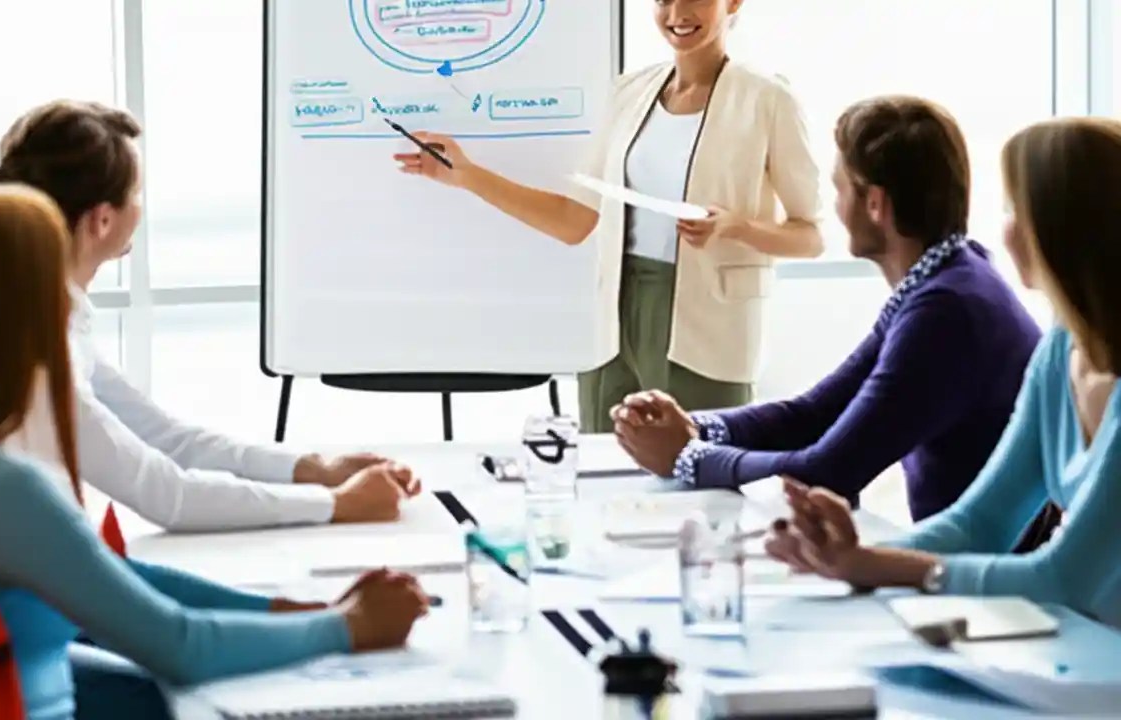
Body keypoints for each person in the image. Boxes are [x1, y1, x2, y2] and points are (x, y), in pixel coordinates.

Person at [0, 188, 430, 719]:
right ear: (7, 318)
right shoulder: (2, 493)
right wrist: (346, 627)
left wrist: (291, 613)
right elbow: (181, 646)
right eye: (51, 287)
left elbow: (113, 577)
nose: (69, 307)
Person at [0, 100, 418, 532]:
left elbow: (166, 438)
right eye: (137, 193)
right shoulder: (39, 347)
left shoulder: (47, 317)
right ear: (102, 220)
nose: (142, 207)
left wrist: (315, 468)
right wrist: (335, 503)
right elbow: (166, 495)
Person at [394, 0, 823, 432]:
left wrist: (736, 227)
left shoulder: (768, 100)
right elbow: (573, 220)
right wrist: (468, 176)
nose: (677, 12)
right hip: (616, 315)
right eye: (662, 0)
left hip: (708, 325)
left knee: (700, 477)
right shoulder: (629, 93)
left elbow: (810, 236)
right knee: (604, 475)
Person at [611, 96, 1042, 522]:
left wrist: (687, 456)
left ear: (875, 204)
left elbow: (828, 473)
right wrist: (695, 427)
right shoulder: (948, 276)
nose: (834, 207)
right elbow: (814, 414)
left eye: (839, 188)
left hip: (980, 578)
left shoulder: (947, 312)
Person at [765, 117, 1121, 626]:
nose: (1006, 228)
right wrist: (845, 558)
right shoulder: (1061, 349)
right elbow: (981, 521)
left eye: (1013, 210)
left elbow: (1063, 579)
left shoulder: (952, 306)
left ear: (1063, 228)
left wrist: (877, 564)